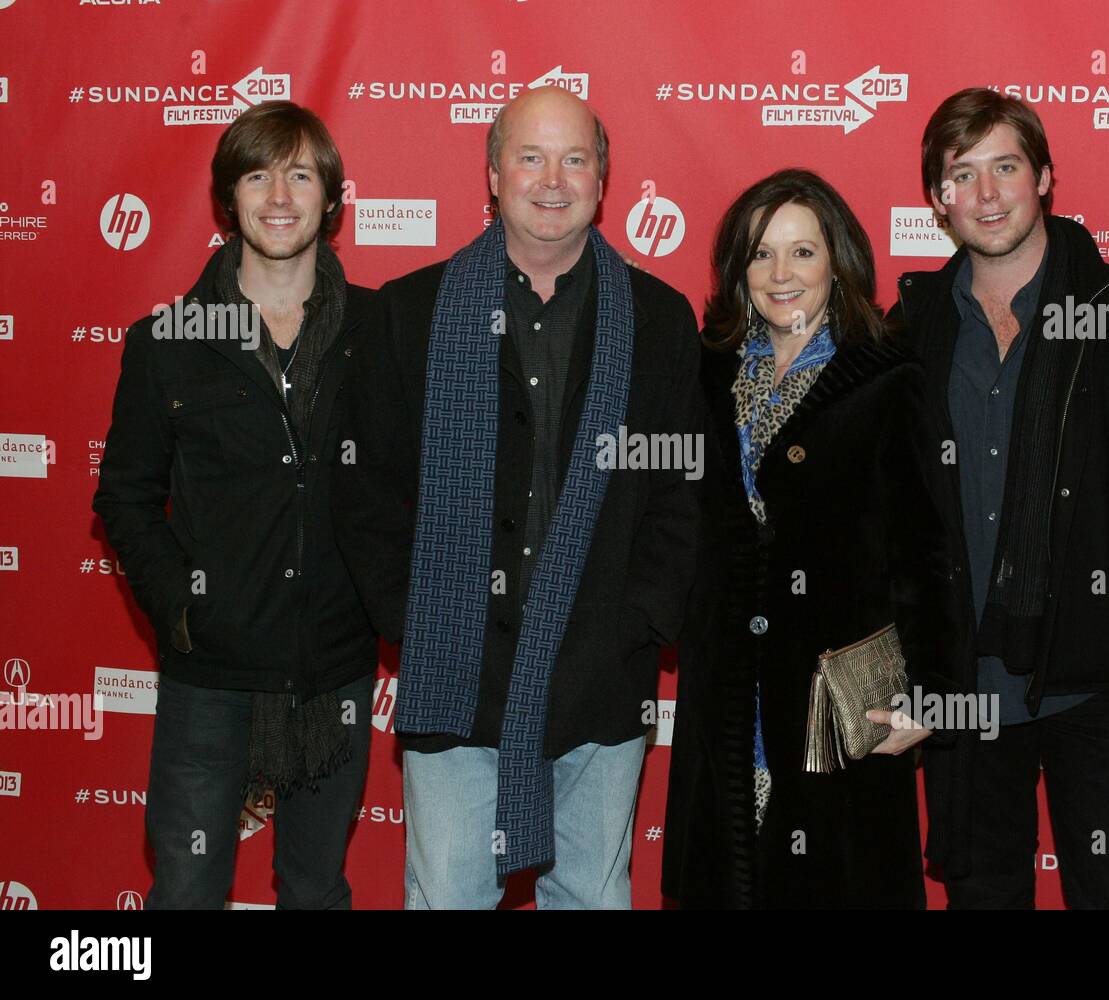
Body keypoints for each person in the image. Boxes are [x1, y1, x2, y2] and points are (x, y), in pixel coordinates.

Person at [332, 86, 701, 909]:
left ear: (603, 180)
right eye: (530, 156)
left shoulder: (658, 319)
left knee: (592, 900)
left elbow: (684, 493)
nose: (552, 179)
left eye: (575, 158)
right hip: (455, 671)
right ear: (493, 173)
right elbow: (364, 487)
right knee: (448, 899)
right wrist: (414, 616)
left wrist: (637, 621)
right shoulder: (409, 312)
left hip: (602, 679)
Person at [891, 88, 1109, 908]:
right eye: (962, 174)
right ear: (938, 200)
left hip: (1096, 682)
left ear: (1045, 176)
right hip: (962, 690)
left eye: (1006, 167)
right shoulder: (910, 328)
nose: (986, 195)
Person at [93, 101, 377, 909]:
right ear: (229, 198)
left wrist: (378, 601)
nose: (279, 195)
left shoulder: (380, 332)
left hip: (333, 667)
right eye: (257, 174)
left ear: (332, 197)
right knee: (185, 890)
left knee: (315, 889)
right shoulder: (168, 341)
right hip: (209, 672)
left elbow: (408, 483)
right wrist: (181, 605)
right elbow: (125, 495)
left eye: (299, 174)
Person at [661, 169, 957, 909]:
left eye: (802, 251)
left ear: (839, 262)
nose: (781, 274)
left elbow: (929, 552)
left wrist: (934, 694)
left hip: (839, 700)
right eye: (761, 254)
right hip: (725, 689)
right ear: (737, 270)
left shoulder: (887, 380)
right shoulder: (705, 373)